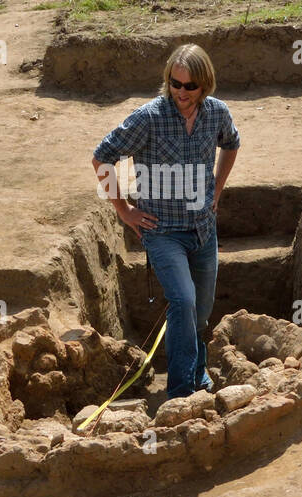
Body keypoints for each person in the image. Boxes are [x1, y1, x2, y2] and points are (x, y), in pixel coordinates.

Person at [92, 44, 240, 398]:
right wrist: (124, 210)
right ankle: (179, 392)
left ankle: (199, 373)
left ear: (205, 84)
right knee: (183, 303)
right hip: (162, 232)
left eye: (190, 86)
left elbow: (231, 144)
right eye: (175, 83)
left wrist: (216, 190)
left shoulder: (216, 113)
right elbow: (101, 158)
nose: (181, 92)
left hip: (203, 230)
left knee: (201, 313)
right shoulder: (148, 118)